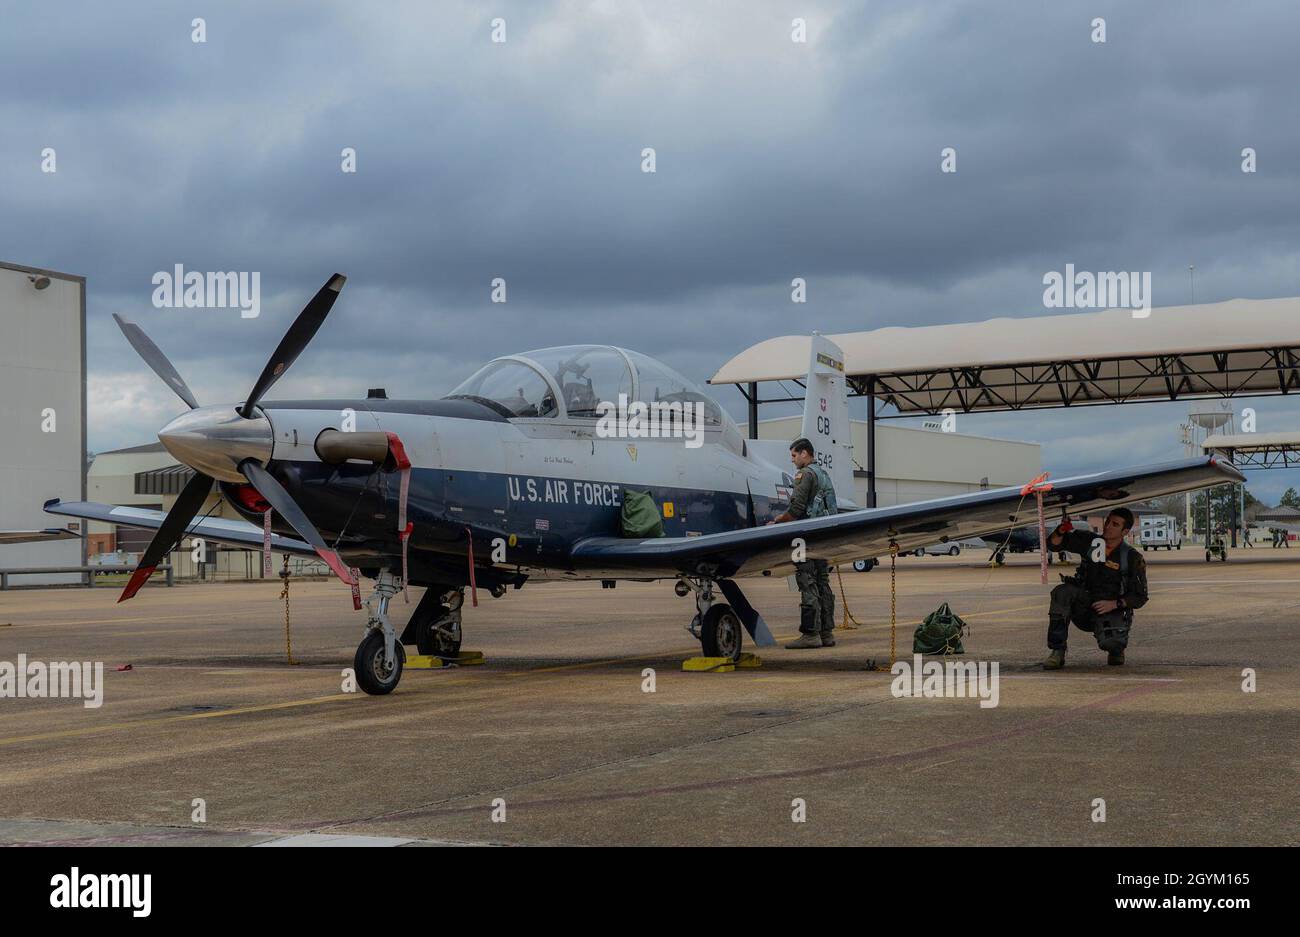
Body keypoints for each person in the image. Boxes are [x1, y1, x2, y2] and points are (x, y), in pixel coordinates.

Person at [1042, 507, 1148, 669]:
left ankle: (1116, 650)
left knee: (1112, 643)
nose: (1108, 526)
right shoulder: (1090, 542)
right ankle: (1057, 651)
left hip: (1110, 610)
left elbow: (1140, 596)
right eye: (1107, 521)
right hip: (1084, 604)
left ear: (1125, 531)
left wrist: (1115, 604)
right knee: (1062, 592)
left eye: (1115, 524)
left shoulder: (1131, 557)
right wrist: (1061, 530)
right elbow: (1054, 544)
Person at [768, 438, 837, 648]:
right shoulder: (823, 474)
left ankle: (810, 634)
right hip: (824, 537)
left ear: (805, 453)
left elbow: (796, 508)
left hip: (806, 536)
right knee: (823, 583)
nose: (793, 460)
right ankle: (827, 633)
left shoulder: (805, 474)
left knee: (807, 582)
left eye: (794, 455)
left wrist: (778, 521)